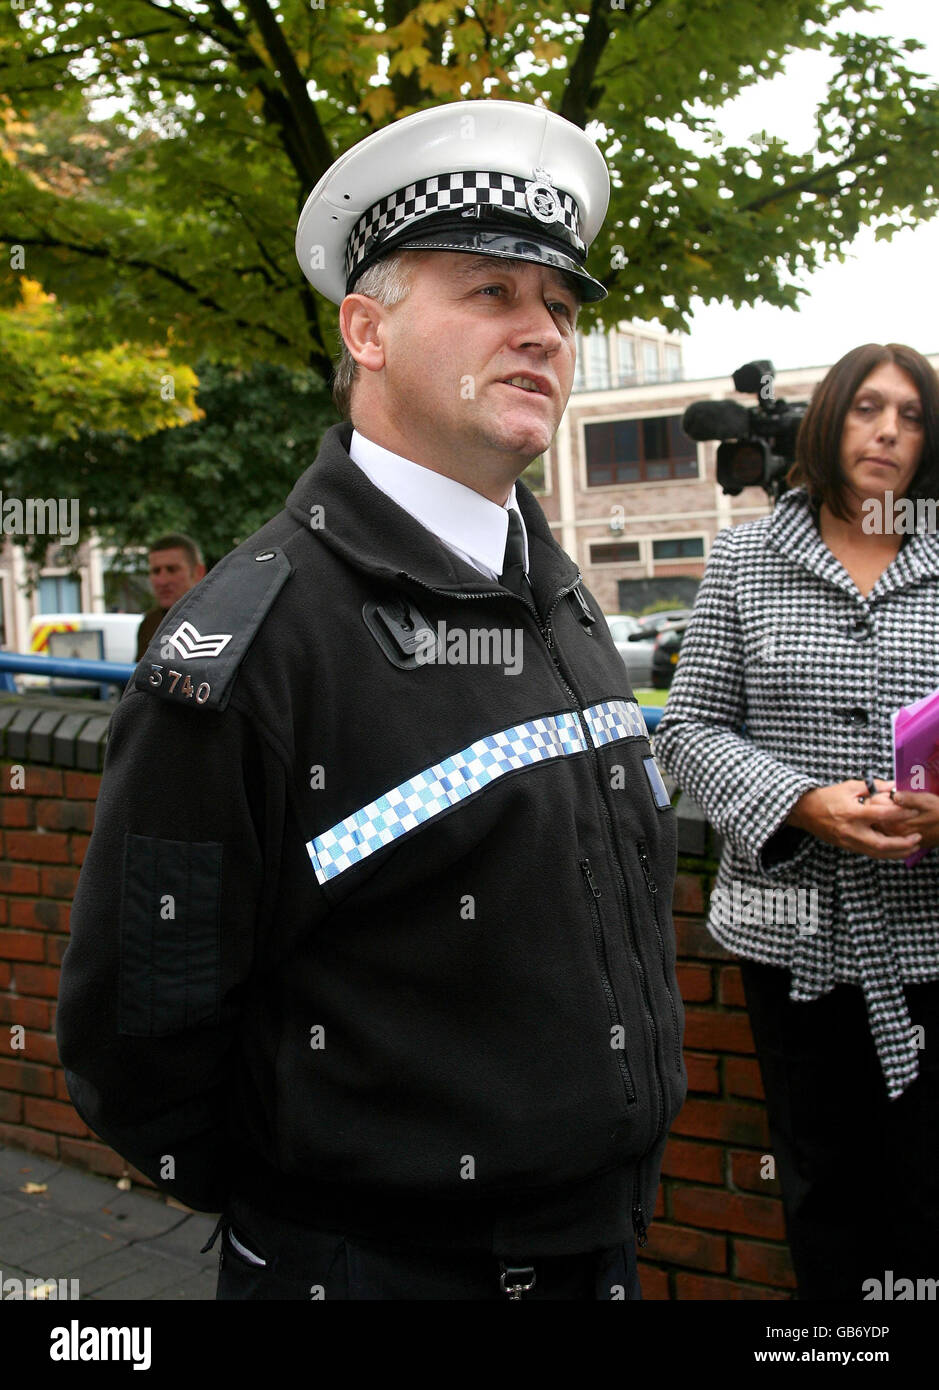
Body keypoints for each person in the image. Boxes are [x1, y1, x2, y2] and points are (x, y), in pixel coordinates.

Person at [56, 99, 686, 1302]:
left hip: (594, 1252)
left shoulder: (556, 593)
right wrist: (317, 1211)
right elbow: (140, 1035)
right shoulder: (257, 639)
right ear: (369, 329)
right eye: (490, 292)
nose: (543, 331)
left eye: (559, 303)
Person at [655, 342, 939, 1301]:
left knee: (925, 1198)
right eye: (866, 408)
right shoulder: (746, 557)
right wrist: (797, 803)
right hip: (793, 940)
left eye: (908, 413)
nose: (888, 430)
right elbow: (687, 726)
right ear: (829, 420)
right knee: (820, 1195)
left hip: (929, 934)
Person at [134, 534, 206, 659]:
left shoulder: (221, 619)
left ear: (198, 572)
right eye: (156, 571)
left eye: (172, 570)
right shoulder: (149, 624)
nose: (162, 581)